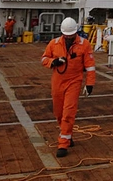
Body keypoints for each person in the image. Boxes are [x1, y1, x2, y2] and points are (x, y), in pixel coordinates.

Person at [41, 17, 95, 158]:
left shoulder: (84, 44)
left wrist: (89, 84)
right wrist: (54, 62)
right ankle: (67, 134)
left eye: (71, 35)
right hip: (57, 82)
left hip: (74, 82)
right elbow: (44, 59)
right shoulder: (54, 44)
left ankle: (63, 143)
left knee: (68, 112)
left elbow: (90, 66)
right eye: (66, 35)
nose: (69, 37)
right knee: (58, 112)